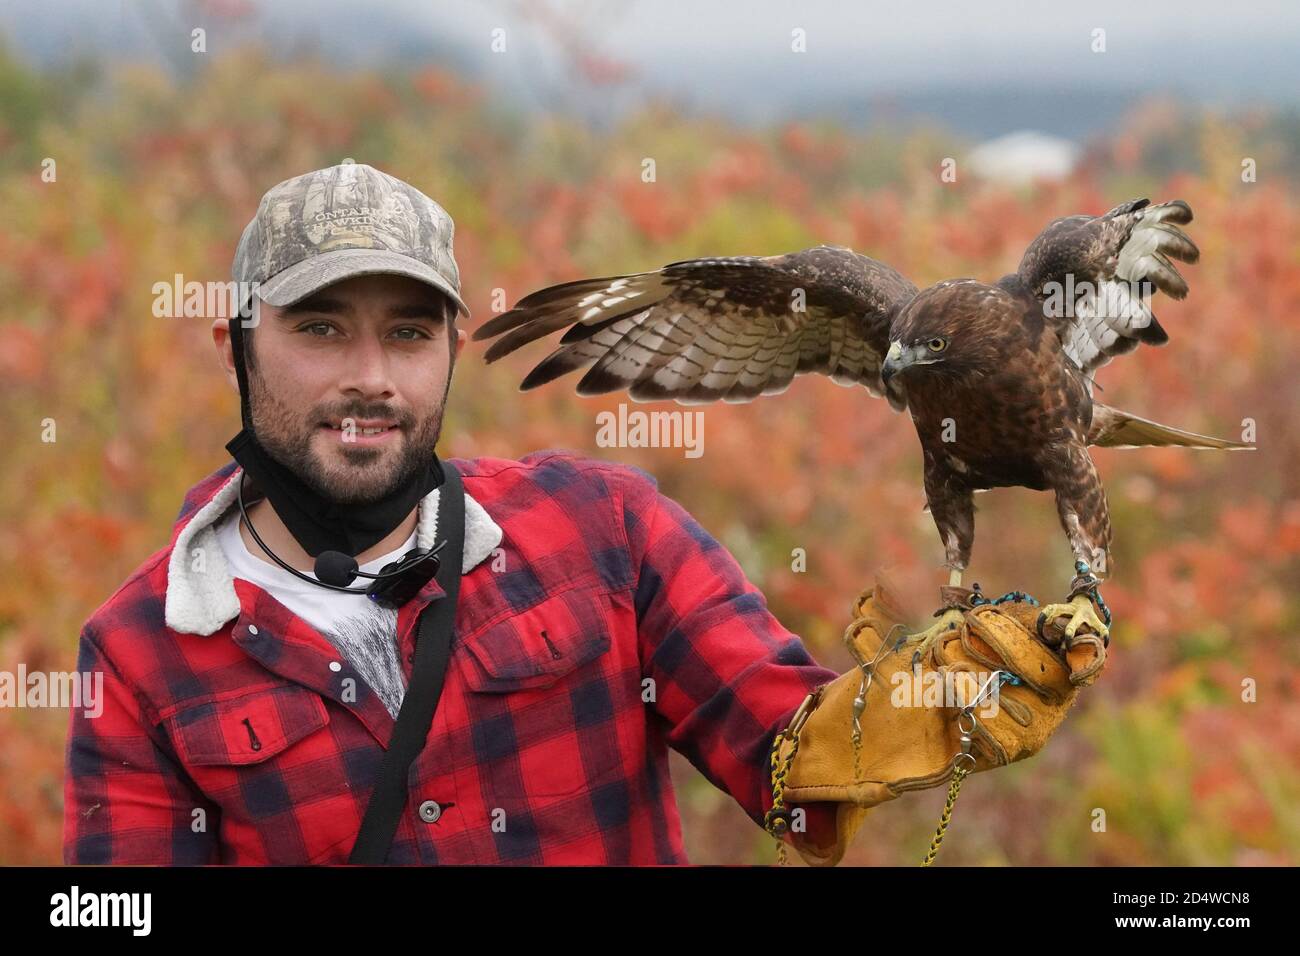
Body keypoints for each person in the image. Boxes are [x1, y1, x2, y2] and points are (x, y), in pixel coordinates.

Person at [63, 162, 1104, 866]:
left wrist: (931, 698)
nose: (371, 377)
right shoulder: (138, 652)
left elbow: (792, 745)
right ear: (233, 347)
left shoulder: (601, 527)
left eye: (411, 333)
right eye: (321, 329)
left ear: (451, 351)